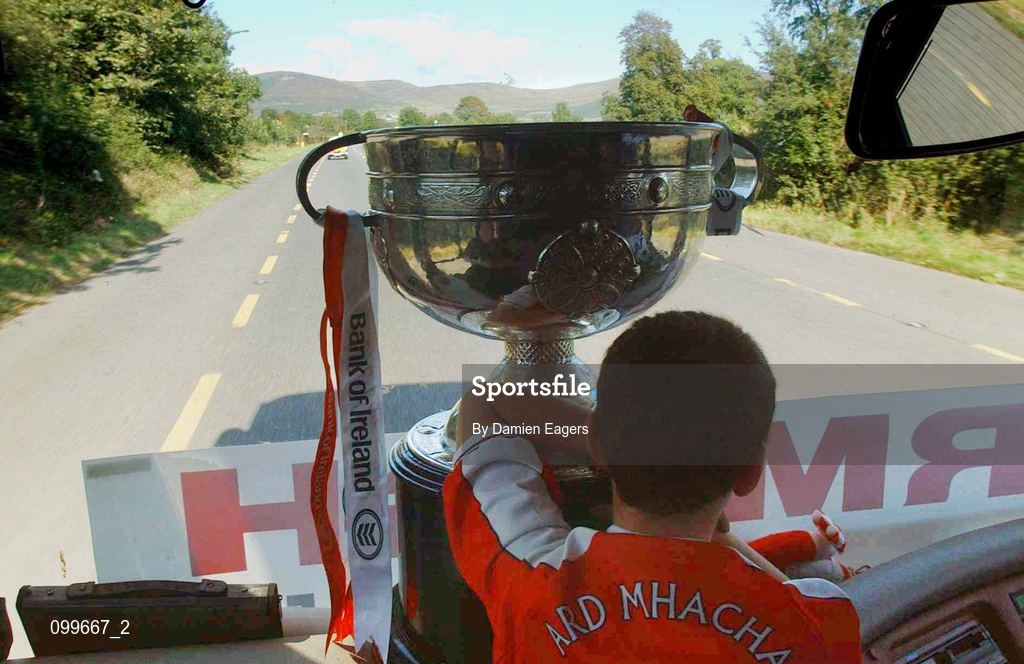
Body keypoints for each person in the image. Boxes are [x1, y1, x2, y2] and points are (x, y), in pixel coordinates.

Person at [443, 311, 862, 663]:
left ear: (600, 449)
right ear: (750, 473)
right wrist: (726, 538)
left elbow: (488, 401)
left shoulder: (532, 580)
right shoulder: (819, 624)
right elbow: (792, 599)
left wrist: (598, 432)